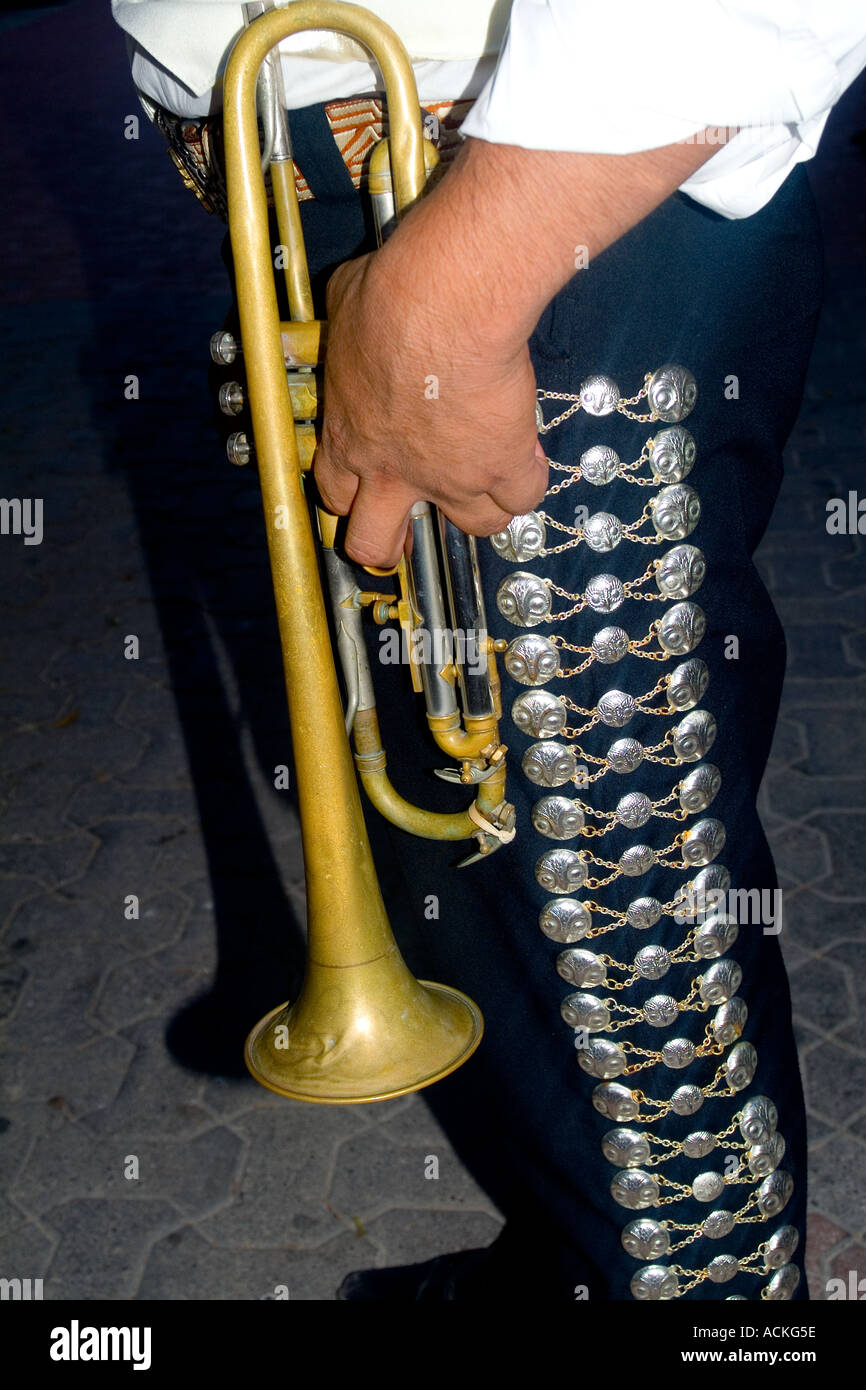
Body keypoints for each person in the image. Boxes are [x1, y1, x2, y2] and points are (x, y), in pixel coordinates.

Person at [113, 0, 866, 1300]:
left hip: (545, 204)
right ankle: (585, 1255)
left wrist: (457, 288)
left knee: (610, 913)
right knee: (447, 832)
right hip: (352, 194)